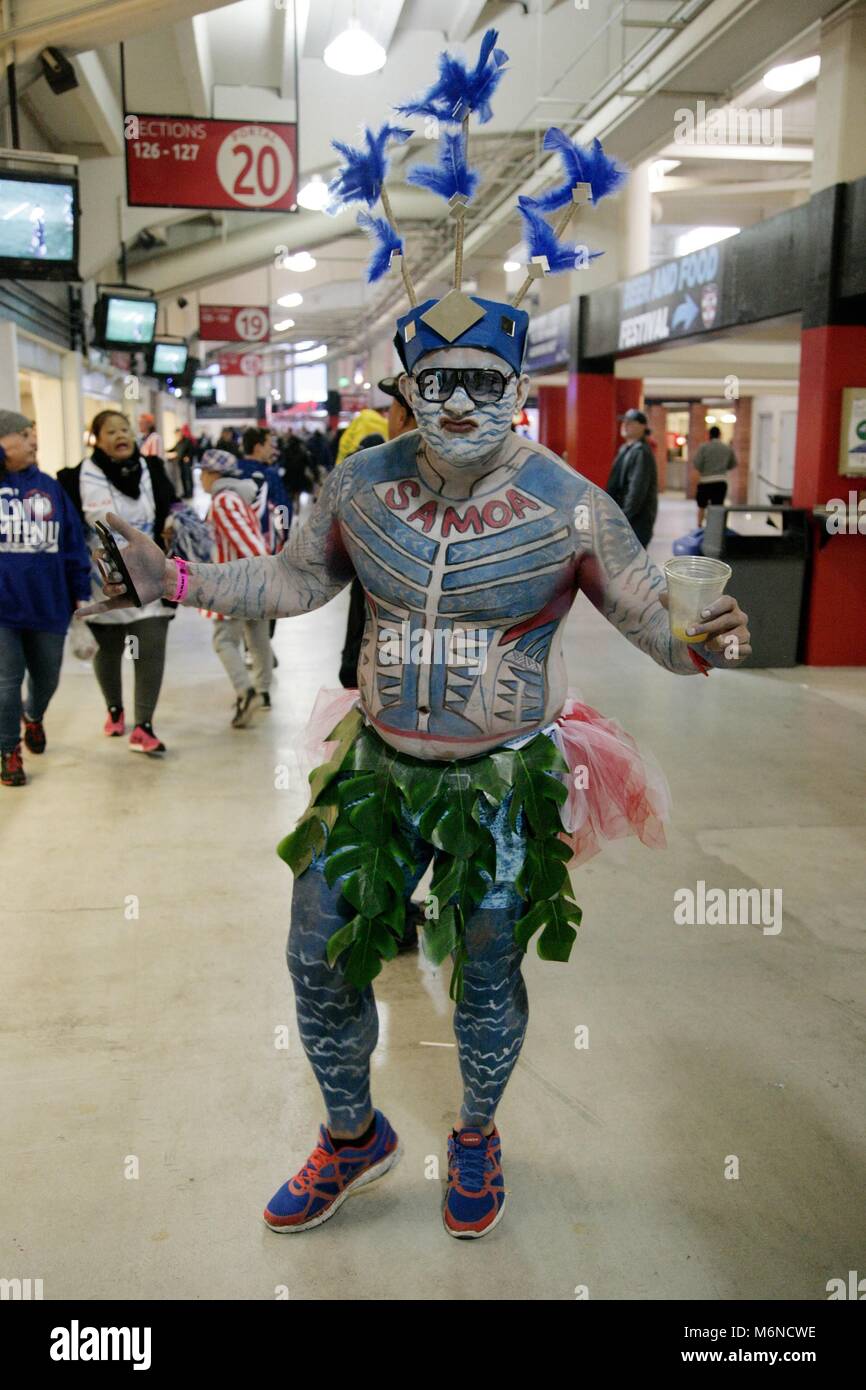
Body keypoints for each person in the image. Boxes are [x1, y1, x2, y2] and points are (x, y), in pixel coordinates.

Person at [79, 39, 751, 1242]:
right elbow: (293, 580)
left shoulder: (569, 503)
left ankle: (477, 1131)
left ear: (514, 384)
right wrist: (176, 577)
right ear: (405, 388)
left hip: (502, 775)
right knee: (314, 951)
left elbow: (653, 618)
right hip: (378, 767)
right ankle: (353, 1133)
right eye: (433, 382)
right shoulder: (359, 485)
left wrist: (701, 637)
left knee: (486, 970)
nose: (455, 404)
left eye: (480, 381)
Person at [0, 410, 91, 787]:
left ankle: (33, 716)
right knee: (6, 682)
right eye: (24, 435)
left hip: (49, 604)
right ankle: (8, 750)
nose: (34, 441)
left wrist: (82, 594)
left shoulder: (51, 487)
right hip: (3, 611)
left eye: (33, 434)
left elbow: (73, 543)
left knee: (47, 678)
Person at [80, 410, 176, 755]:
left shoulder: (152, 469)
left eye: (125, 429)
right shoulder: (78, 476)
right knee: (109, 650)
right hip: (103, 583)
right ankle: (115, 709)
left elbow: (172, 506)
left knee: (150, 646)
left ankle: (144, 726)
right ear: (97, 439)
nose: (120, 436)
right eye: (111, 432)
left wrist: (173, 524)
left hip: (150, 579)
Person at [198, 448, 272, 728]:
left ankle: (246, 691)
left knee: (224, 640)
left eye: (203, 473)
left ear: (214, 474)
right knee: (257, 636)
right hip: (253, 581)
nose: (201, 479)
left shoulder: (223, 501)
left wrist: (261, 569)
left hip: (235, 583)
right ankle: (262, 691)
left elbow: (247, 542)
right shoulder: (239, 497)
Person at [605, 408, 658, 548]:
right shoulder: (626, 449)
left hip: (635, 523)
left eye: (631, 422)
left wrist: (622, 519)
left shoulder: (641, 452)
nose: (625, 425)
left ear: (643, 426)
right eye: (624, 421)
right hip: (625, 520)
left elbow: (636, 491)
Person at [692, 424, 737, 525]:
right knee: (717, 508)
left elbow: (697, 464)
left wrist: (704, 469)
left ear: (709, 435)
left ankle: (699, 526)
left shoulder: (703, 447)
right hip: (720, 482)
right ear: (720, 435)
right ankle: (715, 527)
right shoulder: (727, 448)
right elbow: (733, 464)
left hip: (705, 481)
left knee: (701, 506)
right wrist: (723, 468)